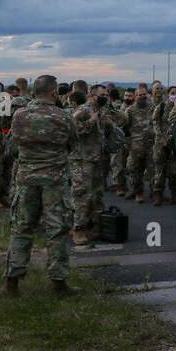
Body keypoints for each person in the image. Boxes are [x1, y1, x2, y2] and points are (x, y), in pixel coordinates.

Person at [3, 75, 77, 296]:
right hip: (55, 181)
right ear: (54, 93)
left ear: (34, 92)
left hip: (26, 179)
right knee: (57, 231)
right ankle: (58, 282)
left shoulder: (19, 115)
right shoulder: (63, 117)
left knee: (22, 229)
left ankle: (12, 281)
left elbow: (12, 148)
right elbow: (72, 145)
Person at [68, 81, 104, 246]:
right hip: (82, 160)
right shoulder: (83, 110)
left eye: (106, 96)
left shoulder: (99, 111)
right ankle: (78, 229)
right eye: (101, 96)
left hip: (95, 158)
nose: (105, 98)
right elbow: (72, 129)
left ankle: (94, 226)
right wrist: (91, 122)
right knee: (82, 195)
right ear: (91, 96)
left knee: (96, 194)